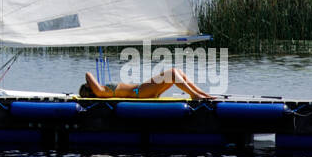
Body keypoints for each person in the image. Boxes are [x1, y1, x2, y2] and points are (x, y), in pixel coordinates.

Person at [78, 69, 217, 100]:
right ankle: (195, 95)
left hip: (141, 92)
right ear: (90, 88)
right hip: (139, 92)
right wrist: (88, 85)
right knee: (172, 74)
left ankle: (202, 94)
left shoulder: (102, 91)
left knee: (177, 72)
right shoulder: (100, 91)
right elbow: (88, 74)